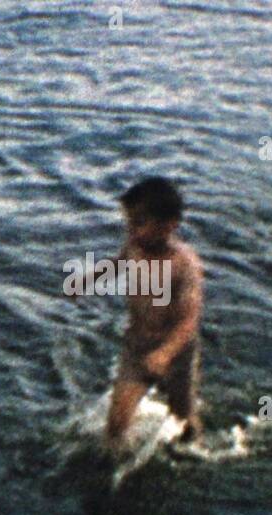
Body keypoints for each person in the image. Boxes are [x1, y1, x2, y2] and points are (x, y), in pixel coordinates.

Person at [104, 177, 204, 455]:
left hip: (176, 353)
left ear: (168, 225)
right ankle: (115, 471)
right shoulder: (135, 247)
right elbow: (118, 263)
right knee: (116, 424)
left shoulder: (184, 264)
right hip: (136, 347)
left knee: (182, 418)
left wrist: (166, 353)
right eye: (128, 222)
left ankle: (195, 449)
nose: (131, 231)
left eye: (139, 223)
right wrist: (89, 279)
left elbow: (189, 320)